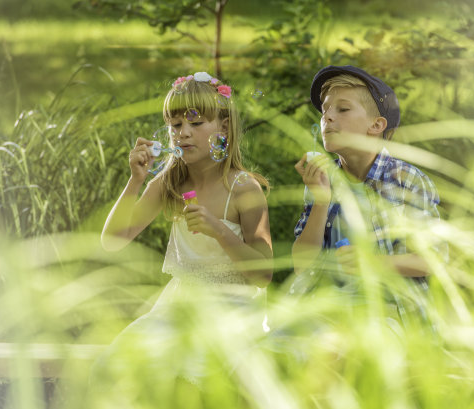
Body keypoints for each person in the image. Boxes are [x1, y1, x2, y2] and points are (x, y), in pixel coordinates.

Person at [96, 71, 273, 392]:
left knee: (188, 379)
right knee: (115, 366)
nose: (183, 133)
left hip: (233, 309)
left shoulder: (242, 189)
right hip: (180, 305)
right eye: (175, 125)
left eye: (195, 123)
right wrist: (135, 181)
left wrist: (219, 230)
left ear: (223, 127)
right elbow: (112, 242)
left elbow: (263, 274)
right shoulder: (168, 183)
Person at [291, 65, 444, 321]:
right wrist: (320, 201)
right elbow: (302, 265)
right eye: (325, 110)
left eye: (342, 109)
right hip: (329, 312)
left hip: (390, 313)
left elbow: (432, 260)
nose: (327, 117)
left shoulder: (406, 180)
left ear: (376, 125)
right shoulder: (323, 181)